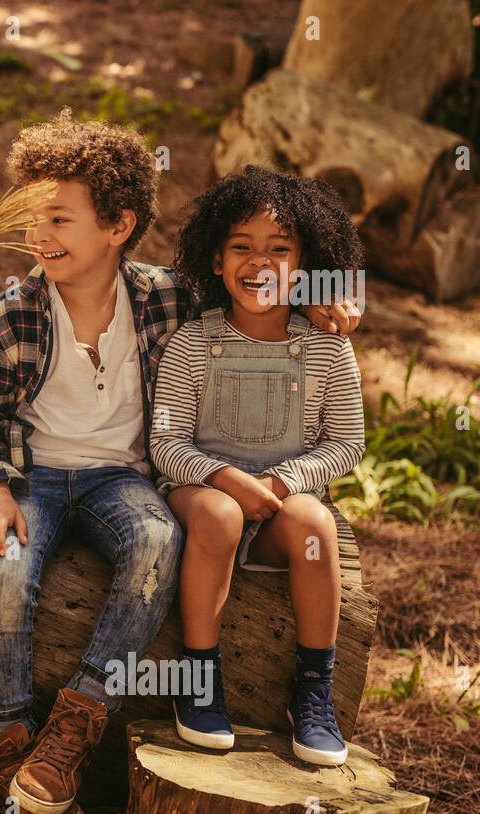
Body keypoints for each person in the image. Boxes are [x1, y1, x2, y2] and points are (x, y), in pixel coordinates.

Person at [0, 111, 361, 814]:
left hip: (123, 479)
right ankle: (10, 735)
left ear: (118, 226)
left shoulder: (169, 298)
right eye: (31, 219)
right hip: (33, 478)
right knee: (1, 566)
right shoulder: (13, 313)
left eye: (57, 218)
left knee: (155, 542)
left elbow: (256, 295)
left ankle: (78, 722)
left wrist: (322, 301)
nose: (37, 236)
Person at [150, 165, 367, 766]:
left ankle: (314, 690)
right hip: (202, 494)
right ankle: (199, 677)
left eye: (280, 250)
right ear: (216, 261)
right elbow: (164, 443)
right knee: (219, 514)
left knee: (315, 525)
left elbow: (347, 442)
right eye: (241, 246)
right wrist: (224, 478)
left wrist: (281, 482)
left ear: (306, 267)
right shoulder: (192, 343)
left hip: (278, 505)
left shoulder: (326, 346)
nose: (259, 262)